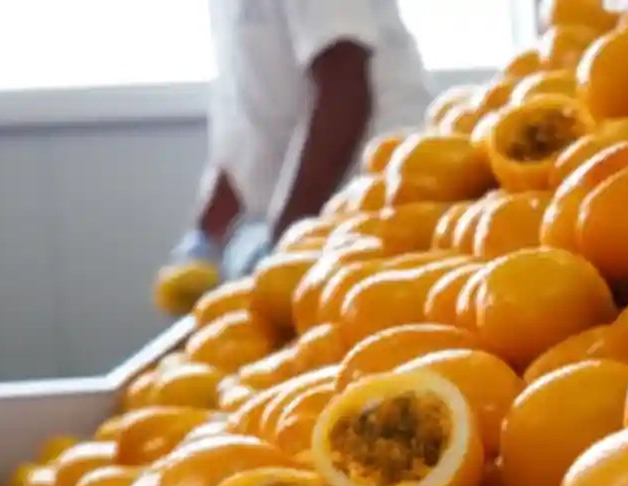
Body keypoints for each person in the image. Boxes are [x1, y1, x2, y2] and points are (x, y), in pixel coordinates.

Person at [157, 0, 430, 308]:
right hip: (307, 220)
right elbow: (253, 119)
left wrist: (284, 240)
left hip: (373, 205)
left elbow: (344, 87)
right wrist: (207, 237)